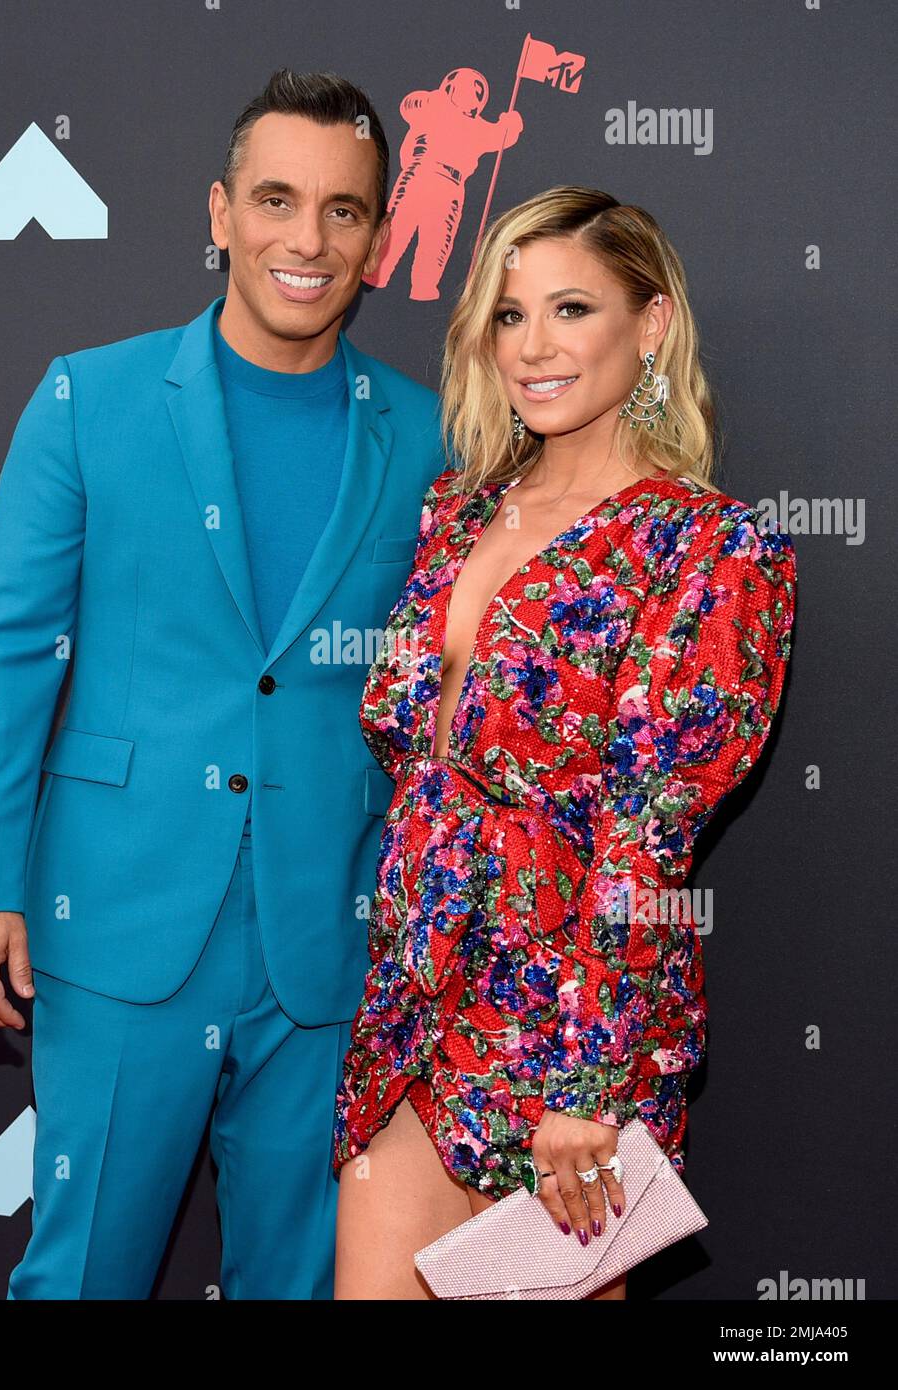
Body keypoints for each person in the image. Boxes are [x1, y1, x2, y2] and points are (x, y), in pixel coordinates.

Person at [0, 68, 445, 1299]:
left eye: (342, 209)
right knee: (82, 1278)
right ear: (220, 212)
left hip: (330, 940)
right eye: (276, 199)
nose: (306, 238)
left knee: (302, 1280)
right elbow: (8, 660)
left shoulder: (433, 438)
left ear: (379, 238)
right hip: (113, 923)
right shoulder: (86, 399)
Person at [332, 185, 797, 1299]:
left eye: (570, 309)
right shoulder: (457, 513)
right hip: (415, 1011)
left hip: (568, 1031)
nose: (531, 347)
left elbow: (652, 837)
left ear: (651, 326)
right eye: (507, 314)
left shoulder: (713, 549)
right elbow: (420, 773)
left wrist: (585, 1084)